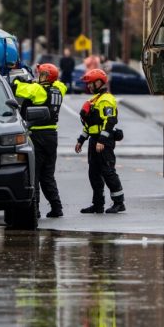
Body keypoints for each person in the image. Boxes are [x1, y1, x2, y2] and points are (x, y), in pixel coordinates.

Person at [13, 63, 67, 218]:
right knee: (48, 175)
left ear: (47, 77)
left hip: (37, 135)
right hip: (52, 136)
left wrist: (18, 80)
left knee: (34, 174)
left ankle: (35, 210)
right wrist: (36, 80)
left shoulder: (38, 90)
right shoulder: (60, 89)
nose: (39, 76)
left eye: (41, 74)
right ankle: (56, 207)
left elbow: (18, 88)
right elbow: (58, 83)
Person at [75, 68, 125, 214]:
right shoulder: (95, 99)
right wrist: (81, 140)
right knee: (94, 173)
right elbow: (90, 124)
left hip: (104, 142)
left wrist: (102, 140)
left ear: (99, 82)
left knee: (108, 172)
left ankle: (119, 203)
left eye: (91, 83)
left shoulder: (106, 100)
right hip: (94, 140)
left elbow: (110, 121)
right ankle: (98, 204)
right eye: (88, 84)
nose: (89, 86)